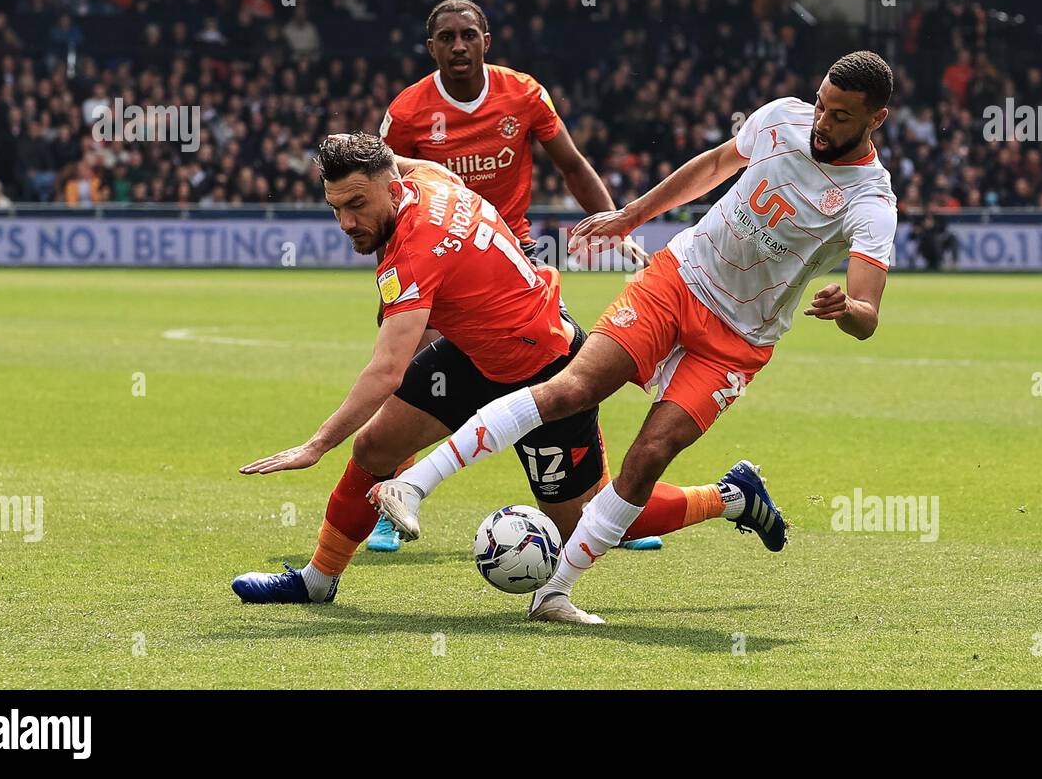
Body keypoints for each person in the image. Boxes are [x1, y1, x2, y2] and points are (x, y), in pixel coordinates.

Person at [374, 51, 898, 624]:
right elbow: (714, 165)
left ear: (877, 119)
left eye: (841, 116)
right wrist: (630, 217)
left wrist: (847, 307)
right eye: (822, 104)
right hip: (677, 279)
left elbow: (868, 314)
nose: (822, 122)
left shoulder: (871, 201)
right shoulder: (784, 118)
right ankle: (415, 486)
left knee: (647, 458)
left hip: (739, 338)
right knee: (572, 389)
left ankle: (554, 595)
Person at [229, 132, 784, 607]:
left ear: (391, 189)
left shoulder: (415, 254)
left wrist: (315, 445)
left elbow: (386, 372)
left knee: (596, 522)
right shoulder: (424, 178)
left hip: (547, 368)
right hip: (474, 357)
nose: (347, 222)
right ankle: (318, 580)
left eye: (356, 204)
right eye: (336, 209)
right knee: (374, 450)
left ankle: (731, 496)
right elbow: (425, 168)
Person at [365, 0, 651, 553]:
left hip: (510, 256)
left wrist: (615, 227)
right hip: (434, 260)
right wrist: (392, 278)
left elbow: (571, 164)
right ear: (431, 48)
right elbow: (382, 196)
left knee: (567, 363)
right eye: (446, 38)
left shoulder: (523, 94)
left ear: (486, 41)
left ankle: (601, 504)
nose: (458, 47)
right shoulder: (406, 112)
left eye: (468, 35)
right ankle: (387, 502)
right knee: (406, 375)